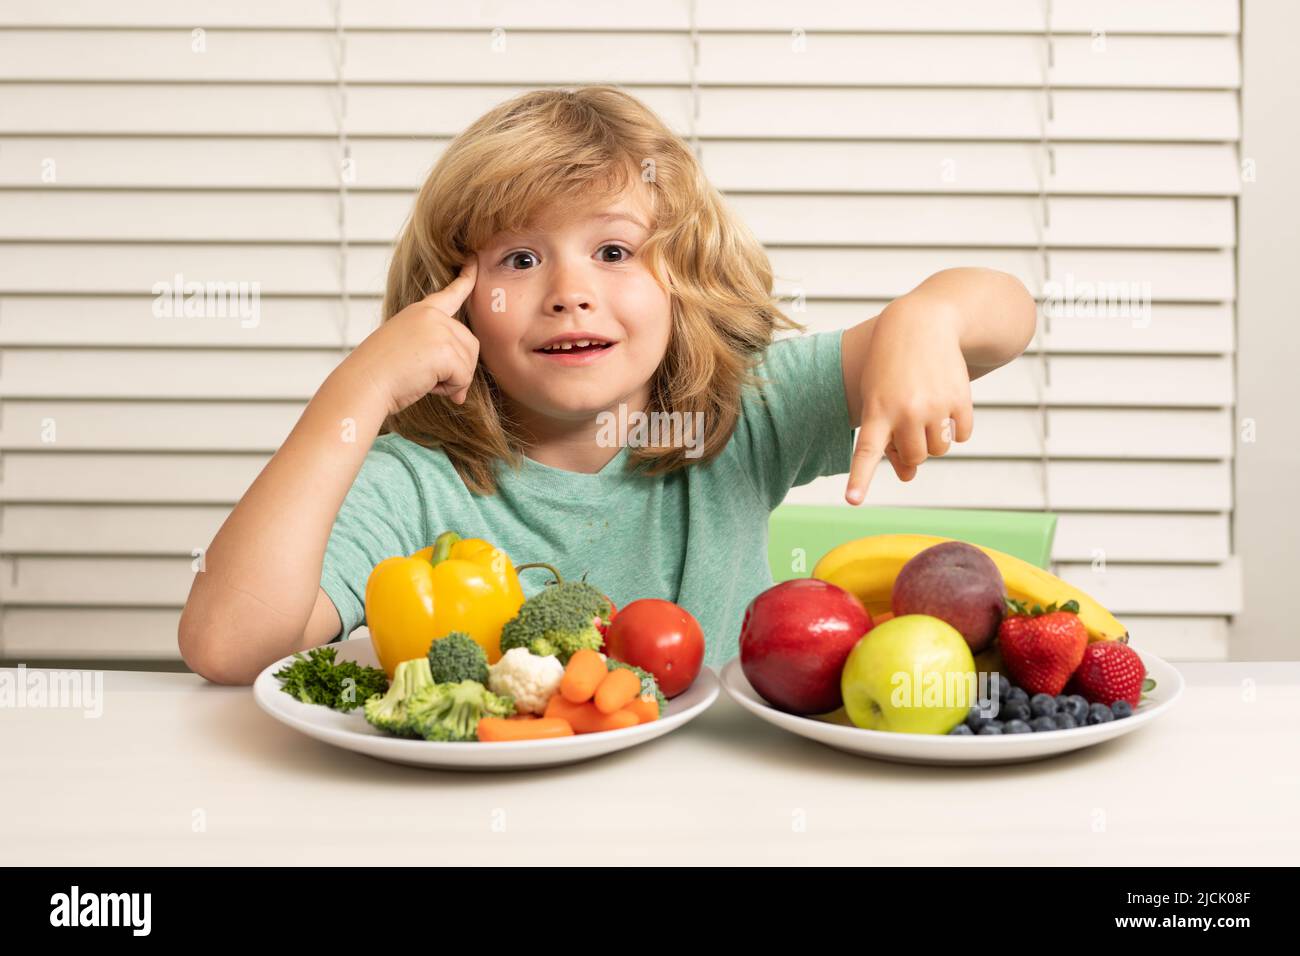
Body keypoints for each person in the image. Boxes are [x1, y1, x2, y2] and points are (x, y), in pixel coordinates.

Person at [179, 85, 1036, 685]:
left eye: (615, 252)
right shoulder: (414, 483)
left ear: (681, 279)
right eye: (519, 258)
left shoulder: (740, 413)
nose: (569, 289)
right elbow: (228, 645)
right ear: (454, 302)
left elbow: (1005, 318)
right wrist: (355, 392)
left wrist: (923, 316)